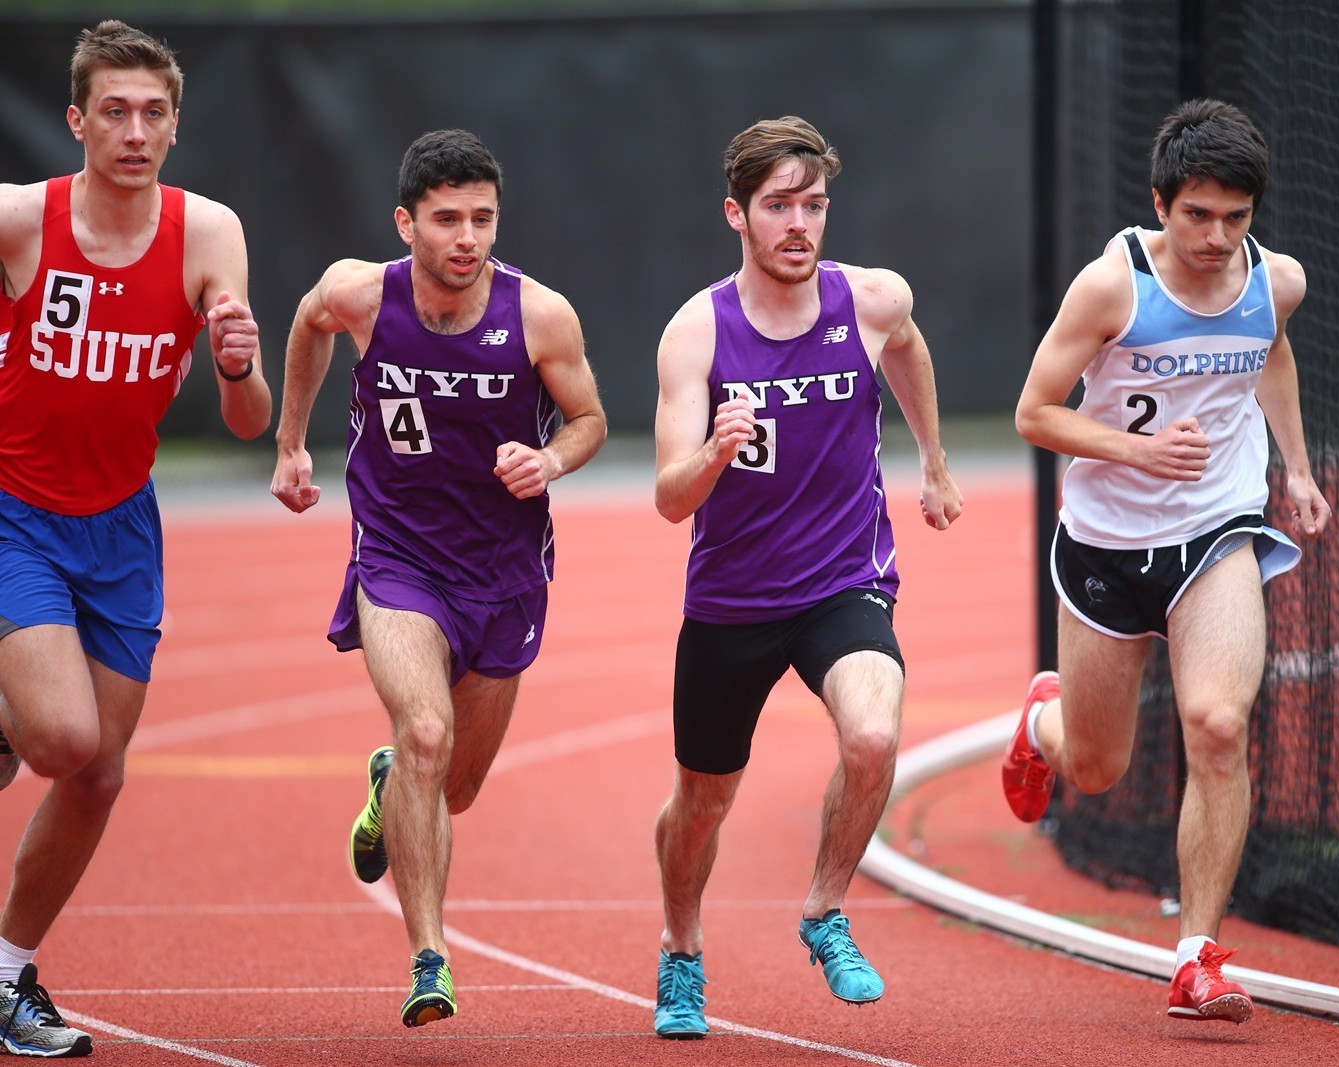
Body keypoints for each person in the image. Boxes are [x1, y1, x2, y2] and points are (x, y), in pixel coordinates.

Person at [1003, 98, 1331, 1024]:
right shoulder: (1112, 290)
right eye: (1198, 215)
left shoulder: (1278, 281)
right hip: (1108, 544)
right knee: (1099, 769)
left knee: (1217, 724)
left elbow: (1269, 350)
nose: (1216, 236)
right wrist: (1137, 451)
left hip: (1220, 528)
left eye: (1236, 217)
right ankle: (1044, 723)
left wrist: (1296, 469)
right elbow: (1036, 413)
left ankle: (1195, 955)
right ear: (1160, 203)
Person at [270, 128, 606, 1029]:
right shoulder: (361, 296)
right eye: (448, 219)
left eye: (483, 218)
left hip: (504, 571)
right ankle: (430, 956)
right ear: (406, 222)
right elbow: (306, 323)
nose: (468, 237)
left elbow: (589, 419)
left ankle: (389, 789)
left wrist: (551, 460)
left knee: (452, 786)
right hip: (397, 555)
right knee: (425, 730)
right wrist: (293, 440)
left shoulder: (540, 315)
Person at [649, 115, 963, 1039]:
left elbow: (906, 344)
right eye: (778, 205)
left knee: (873, 738)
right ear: (736, 215)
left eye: (813, 204)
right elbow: (671, 498)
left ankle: (825, 912)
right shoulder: (695, 332)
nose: (799, 223)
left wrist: (934, 461)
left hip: (842, 582)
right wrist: (712, 454)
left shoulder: (869, 300)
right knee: (702, 804)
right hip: (731, 603)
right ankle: (680, 949)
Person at [0, 21, 271, 1057]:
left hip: (121, 524)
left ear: (174, 125)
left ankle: (9, 971)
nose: (134, 129)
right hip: (15, 507)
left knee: (100, 771)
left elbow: (245, 426)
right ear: (76, 120)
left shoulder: (208, 234)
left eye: (154, 112)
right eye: (113, 109)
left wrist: (238, 365)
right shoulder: (24, 220)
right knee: (62, 736)